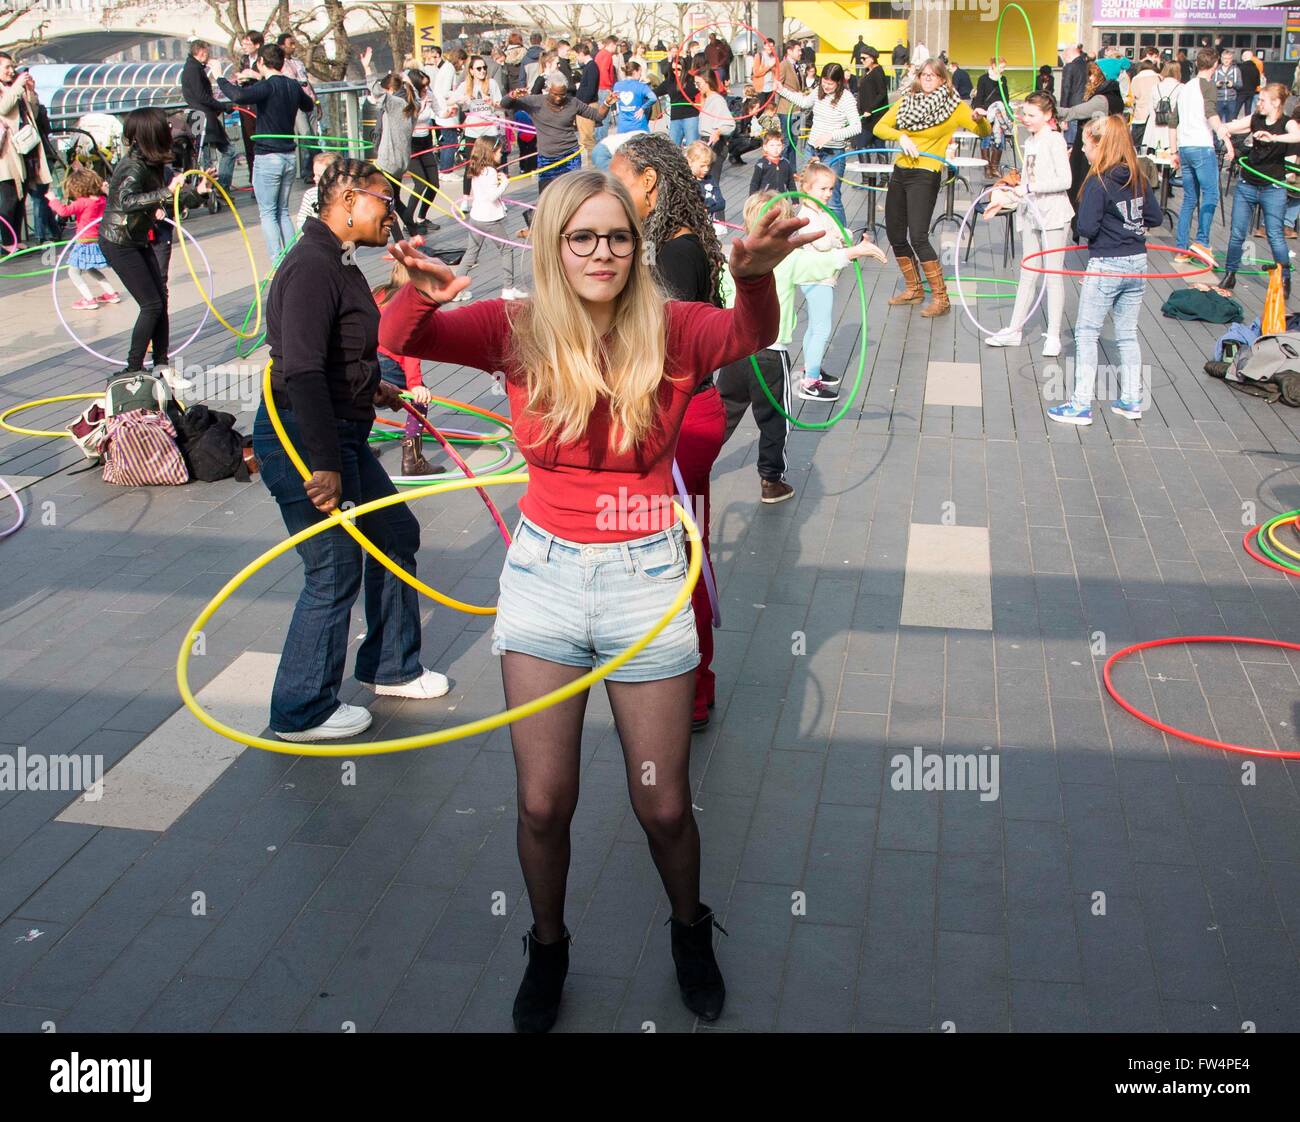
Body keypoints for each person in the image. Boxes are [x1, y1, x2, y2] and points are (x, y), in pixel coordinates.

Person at [382, 167, 811, 1033]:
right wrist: (411, 292)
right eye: (583, 237)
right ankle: (547, 947)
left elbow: (749, 333)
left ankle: (691, 933)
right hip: (543, 579)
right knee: (543, 802)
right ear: (553, 245)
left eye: (618, 236)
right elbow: (408, 337)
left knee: (661, 802)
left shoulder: (674, 327)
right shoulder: (518, 328)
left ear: (636, 245)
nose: (603, 252)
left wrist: (755, 271)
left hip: (646, 580)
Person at [251, 158, 450, 746]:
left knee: (393, 535)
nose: (391, 211)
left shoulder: (335, 261)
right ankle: (300, 708)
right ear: (345, 201)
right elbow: (305, 373)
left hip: (335, 430)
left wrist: (377, 388)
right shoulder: (312, 268)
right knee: (333, 568)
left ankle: (391, 666)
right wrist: (325, 466)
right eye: (382, 200)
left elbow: (340, 356)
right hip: (304, 437)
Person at [608, 133, 734, 738]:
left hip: (681, 420)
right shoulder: (663, 241)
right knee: (679, 550)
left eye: (619, 178)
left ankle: (692, 691)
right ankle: (678, 681)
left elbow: (670, 341)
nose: (611, 190)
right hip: (681, 415)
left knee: (681, 557)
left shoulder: (677, 251)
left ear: (650, 183)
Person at [1049, 115, 1162, 426]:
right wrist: (1131, 225)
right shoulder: (1136, 176)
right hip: (1137, 261)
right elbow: (1156, 217)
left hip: (1107, 264)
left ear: (1099, 145)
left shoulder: (1100, 181)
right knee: (1126, 334)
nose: (1082, 151)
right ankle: (1131, 399)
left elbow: (1085, 226)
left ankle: (1080, 404)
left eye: (1085, 144)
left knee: (1086, 333)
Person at [98, 107, 210, 379]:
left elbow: (169, 200)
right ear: (152, 132)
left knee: (159, 299)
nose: (171, 130)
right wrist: (165, 191)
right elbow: (125, 201)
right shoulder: (132, 166)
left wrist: (197, 194)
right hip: (119, 241)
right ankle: (133, 369)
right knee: (151, 304)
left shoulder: (153, 162)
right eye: (166, 126)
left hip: (136, 238)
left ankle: (162, 365)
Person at [874, 58, 990, 317]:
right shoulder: (907, 102)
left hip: (926, 174)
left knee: (918, 236)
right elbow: (880, 126)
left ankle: (941, 298)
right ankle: (914, 288)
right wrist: (900, 136)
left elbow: (983, 132)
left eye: (932, 75)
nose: (927, 78)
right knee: (895, 234)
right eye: (923, 74)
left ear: (942, 79)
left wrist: (979, 119)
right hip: (900, 171)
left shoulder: (953, 107)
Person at [788, 160, 886, 401]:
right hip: (816, 277)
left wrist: (840, 236)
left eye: (831, 189)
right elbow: (823, 242)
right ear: (806, 188)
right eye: (822, 189)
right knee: (821, 328)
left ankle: (812, 367)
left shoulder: (822, 212)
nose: (828, 194)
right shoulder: (807, 214)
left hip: (824, 275)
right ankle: (810, 381)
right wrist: (837, 238)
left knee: (816, 326)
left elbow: (844, 233)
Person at [983, 92, 1071, 357]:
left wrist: (1030, 187)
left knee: (1053, 275)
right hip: (1031, 213)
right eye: (1025, 115)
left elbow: (1065, 180)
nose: (1026, 120)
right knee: (1028, 272)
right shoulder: (1030, 141)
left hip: (1053, 215)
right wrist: (1012, 192)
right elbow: (1030, 177)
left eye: (1032, 115)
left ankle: (1053, 335)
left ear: (1048, 116)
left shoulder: (1054, 140)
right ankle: (1014, 329)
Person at [218, 43, 314, 258]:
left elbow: (239, 96)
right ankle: (292, 258)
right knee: (282, 211)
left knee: (268, 213)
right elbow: (308, 105)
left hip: (268, 156)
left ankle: (278, 263)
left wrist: (219, 78)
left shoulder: (268, 86)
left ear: (261, 62)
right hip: (289, 156)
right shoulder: (290, 85)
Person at [1219, 83, 1300, 297]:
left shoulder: (1286, 123)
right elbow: (1227, 127)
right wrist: (1228, 143)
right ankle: (1230, 273)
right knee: (1237, 233)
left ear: (1276, 103)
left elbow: (1297, 136)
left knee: (1275, 234)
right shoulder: (1256, 118)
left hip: (1272, 186)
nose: (1259, 103)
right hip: (1247, 184)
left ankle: (1284, 278)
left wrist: (1274, 138)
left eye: (1263, 100)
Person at [372, 259, 441, 477]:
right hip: (390, 363)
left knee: (359, 399)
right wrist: (415, 385)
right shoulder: (412, 307)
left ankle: (356, 445)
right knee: (419, 401)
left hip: (368, 358)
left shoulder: (379, 293)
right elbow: (410, 349)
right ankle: (412, 460)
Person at [774, 62, 858, 229]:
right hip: (812, 150)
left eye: (830, 83)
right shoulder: (819, 91)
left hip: (833, 153)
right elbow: (804, 102)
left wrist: (831, 135)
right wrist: (781, 90)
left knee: (832, 200)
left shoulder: (846, 98)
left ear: (839, 82)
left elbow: (856, 127)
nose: (826, 86)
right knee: (808, 192)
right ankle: (811, 232)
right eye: (824, 81)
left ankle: (841, 238)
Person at [1168, 48, 1231, 263]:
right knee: (1211, 194)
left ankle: (1181, 249)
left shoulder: (1184, 89)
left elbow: (1172, 122)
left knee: (1189, 199)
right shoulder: (1208, 85)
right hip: (1202, 146)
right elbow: (1210, 113)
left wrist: (1173, 150)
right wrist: (1225, 136)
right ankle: (1202, 242)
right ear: (1214, 66)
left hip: (1185, 148)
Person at [501, 74, 613, 195]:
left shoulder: (572, 102)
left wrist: (607, 103)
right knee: (546, 196)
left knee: (572, 195)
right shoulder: (535, 102)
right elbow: (505, 104)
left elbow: (598, 115)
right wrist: (512, 95)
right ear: (548, 89)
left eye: (562, 94)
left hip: (570, 157)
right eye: (555, 94)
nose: (559, 98)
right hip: (547, 159)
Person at [453, 137, 522, 300]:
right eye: (499, 151)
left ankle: (456, 290)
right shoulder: (490, 172)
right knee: (507, 249)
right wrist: (504, 182)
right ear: (490, 153)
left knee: (471, 254)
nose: (501, 154)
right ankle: (508, 289)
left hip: (476, 218)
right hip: (489, 219)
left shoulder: (477, 168)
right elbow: (492, 196)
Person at [361, 49, 420, 239]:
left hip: (388, 161)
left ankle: (401, 240)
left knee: (387, 202)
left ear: (391, 91)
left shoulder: (395, 103)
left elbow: (376, 91)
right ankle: (412, 233)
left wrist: (367, 67)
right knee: (393, 198)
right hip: (401, 162)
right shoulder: (412, 105)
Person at [46, 166, 120, 311]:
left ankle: (89, 299)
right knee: (91, 269)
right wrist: (106, 190)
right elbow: (115, 201)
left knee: (73, 272)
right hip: (97, 241)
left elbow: (63, 211)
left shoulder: (82, 202)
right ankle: (111, 293)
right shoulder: (101, 200)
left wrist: (53, 199)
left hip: (84, 243)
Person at [0, 54, 51, 252]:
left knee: (21, 196)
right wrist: (17, 87)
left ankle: (15, 239)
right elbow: (3, 108)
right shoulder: (10, 89)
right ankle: (7, 241)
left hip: (24, 150)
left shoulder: (16, 88)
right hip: (6, 154)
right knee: (8, 197)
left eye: (12, 67)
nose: (11, 71)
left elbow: (34, 114)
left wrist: (30, 91)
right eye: (6, 67)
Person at [181, 41, 236, 197]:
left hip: (200, 117)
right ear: (202, 53)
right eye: (208, 53)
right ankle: (219, 188)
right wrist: (222, 106)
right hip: (205, 117)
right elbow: (202, 96)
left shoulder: (191, 68)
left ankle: (211, 190)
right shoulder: (194, 70)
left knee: (206, 156)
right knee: (225, 152)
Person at [406, 68, 441, 233]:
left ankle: (422, 217)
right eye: (423, 87)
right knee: (420, 184)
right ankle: (408, 221)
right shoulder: (408, 99)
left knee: (434, 183)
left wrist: (450, 111)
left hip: (426, 141)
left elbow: (441, 112)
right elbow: (408, 120)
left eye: (427, 86)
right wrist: (420, 107)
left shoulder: (429, 95)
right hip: (411, 144)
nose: (426, 89)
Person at [972, 59, 1010, 178]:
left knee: (1000, 140)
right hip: (986, 112)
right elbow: (979, 97)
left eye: (1004, 67)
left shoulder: (1003, 79)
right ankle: (987, 168)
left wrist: (1004, 109)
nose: (1003, 70)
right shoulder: (983, 79)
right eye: (1001, 67)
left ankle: (995, 167)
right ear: (993, 66)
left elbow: (1006, 97)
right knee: (986, 139)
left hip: (999, 114)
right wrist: (979, 110)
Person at [657, 52, 703, 150]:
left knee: (692, 148)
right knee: (672, 149)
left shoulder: (691, 80)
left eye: (678, 69)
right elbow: (655, 92)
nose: (675, 71)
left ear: (684, 68)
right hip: (675, 119)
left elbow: (704, 89)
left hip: (690, 117)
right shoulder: (669, 82)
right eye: (673, 69)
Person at [235, 30, 265, 178]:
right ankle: (253, 178)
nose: (245, 46)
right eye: (243, 43)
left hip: (259, 104)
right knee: (249, 142)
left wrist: (256, 76)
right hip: (245, 103)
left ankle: (263, 176)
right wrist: (240, 79)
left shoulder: (264, 59)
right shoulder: (244, 59)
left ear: (257, 44)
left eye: (248, 43)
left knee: (261, 140)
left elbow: (270, 78)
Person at [430, 47, 462, 173]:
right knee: (450, 142)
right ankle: (446, 170)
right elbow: (445, 92)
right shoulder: (448, 69)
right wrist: (459, 96)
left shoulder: (445, 69)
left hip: (444, 110)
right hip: (447, 110)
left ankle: (445, 169)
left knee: (448, 141)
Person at [1140, 61, 1183, 154]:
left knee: (1155, 155)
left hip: (1155, 125)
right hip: (1173, 125)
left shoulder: (1155, 87)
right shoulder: (1181, 87)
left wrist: (1155, 118)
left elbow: (1150, 107)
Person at [856, 46, 889, 155]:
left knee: (862, 145)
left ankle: (881, 172)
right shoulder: (868, 72)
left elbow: (882, 93)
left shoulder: (878, 71)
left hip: (875, 117)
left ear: (872, 58)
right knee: (878, 144)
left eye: (864, 58)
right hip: (867, 117)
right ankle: (874, 172)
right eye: (861, 58)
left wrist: (870, 109)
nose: (862, 61)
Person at [612, 60, 658, 137]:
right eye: (640, 72)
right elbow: (653, 98)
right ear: (635, 72)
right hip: (638, 125)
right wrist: (643, 108)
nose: (640, 75)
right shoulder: (641, 86)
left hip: (623, 126)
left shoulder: (617, 85)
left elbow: (615, 99)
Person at [295, 150, 337, 231]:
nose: (314, 178)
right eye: (314, 174)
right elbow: (302, 218)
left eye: (319, 175)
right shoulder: (310, 194)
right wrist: (308, 232)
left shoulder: (342, 194)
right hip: (315, 236)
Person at [1129, 57, 1162, 149]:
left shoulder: (1136, 78)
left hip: (1140, 115)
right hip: (1155, 115)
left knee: (1138, 144)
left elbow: (1133, 96)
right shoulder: (1158, 77)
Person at [749, 129, 795, 194]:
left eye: (778, 145)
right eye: (772, 145)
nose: (775, 148)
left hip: (781, 198)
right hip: (765, 199)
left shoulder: (786, 163)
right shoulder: (761, 164)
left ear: (783, 147)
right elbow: (754, 183)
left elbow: (791, 182)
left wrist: (795, 200)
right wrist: (752, 199)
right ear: (765, 147)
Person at [1060, 44, 1088, 143]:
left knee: (1071, 142)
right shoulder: (1088, 65)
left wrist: (1063, 115)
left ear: (1068, 55)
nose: (1065, 61)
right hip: (1088, 107)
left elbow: (1066, 89)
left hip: (1073, 108)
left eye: (1064, 58)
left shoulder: (1070, 67)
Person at [1213, 49, 1242, 123]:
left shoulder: (1236, 70)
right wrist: (1216, 84)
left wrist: (1233, 84)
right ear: (1221, 59)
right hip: (1219, 100)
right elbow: (1210, 83)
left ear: (1231, 59)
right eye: (1225, 58)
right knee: (1217, 123)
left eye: (1228, 59)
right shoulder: (1216, 69)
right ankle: (1216, 135)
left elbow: (1240, 85)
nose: (1226, 60)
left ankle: (1229, 135)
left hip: (1231, 100)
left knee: (1230, 123)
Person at [1238, 49, 1261, 119]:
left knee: (1235, 110)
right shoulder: (1255, 68)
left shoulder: (1240, 68)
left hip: (1241, 92)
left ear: (1243, 57)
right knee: (1248, 111)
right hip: (1251, 92)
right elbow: (1258, 82)